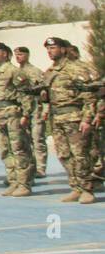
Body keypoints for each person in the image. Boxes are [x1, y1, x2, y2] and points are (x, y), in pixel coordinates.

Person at [41, 37, 98, 204]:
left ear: (63, 49)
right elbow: (48, 98)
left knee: (80, 154)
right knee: (64, 155)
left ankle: (87, 189)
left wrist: (87, 119)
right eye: (48, 49)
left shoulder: (76, 69)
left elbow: (89, 96)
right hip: (57, 118)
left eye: (53, 48)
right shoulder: (49, 72)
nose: (50, 51)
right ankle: (75, 187)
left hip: (74, 117)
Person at [0, 42, 35, 197]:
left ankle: (24, 184)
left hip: (12, 113)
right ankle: (13, 181)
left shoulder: (13, 71)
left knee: (19, 149)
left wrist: (26, 114)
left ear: (5, 54)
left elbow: (26, 94)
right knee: (4, 149)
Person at [14, 46, 48, 177]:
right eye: (16, 54)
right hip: (21, 109)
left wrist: (45, 109)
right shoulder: (15, 71)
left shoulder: (35, 71)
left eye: (21, 54)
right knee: (23, 139)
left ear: (27, 55)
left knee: (37, 137)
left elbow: (44, 91)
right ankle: (29, 166)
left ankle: (41, 168)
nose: (18, 57)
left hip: (35, 108)